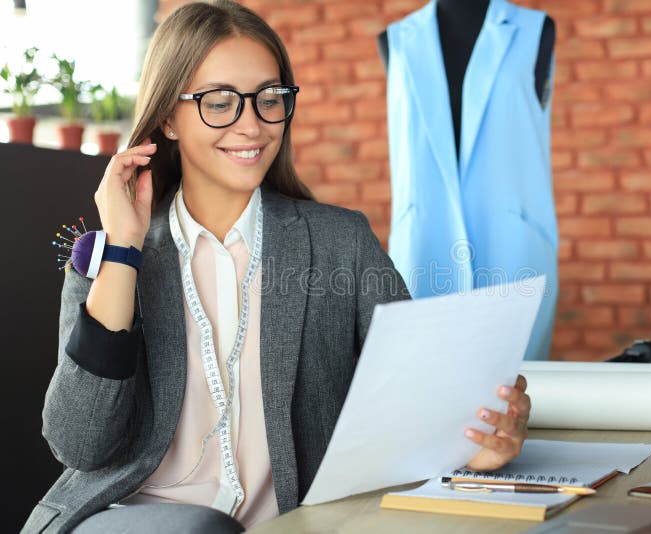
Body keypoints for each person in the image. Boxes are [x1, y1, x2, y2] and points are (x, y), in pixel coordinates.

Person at [23, 2, 531, 532]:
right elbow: (79, 444)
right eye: (220, 102)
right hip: (127, 518)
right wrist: (125, 251)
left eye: (270, 99)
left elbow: (422, 396)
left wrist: (478, 439)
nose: (252, 125)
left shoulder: (340, 243)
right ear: (168, 118)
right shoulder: (109, 256)